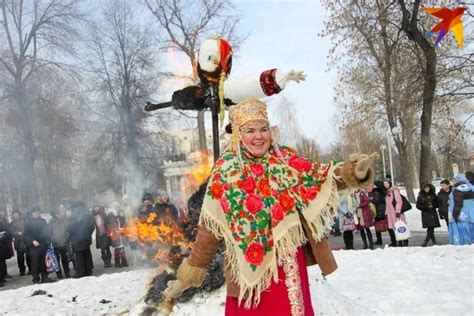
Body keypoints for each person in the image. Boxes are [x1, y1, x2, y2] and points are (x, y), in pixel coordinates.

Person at [163, 97, 378, 314]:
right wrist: (188, 275)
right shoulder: (225, 171)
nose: (258, 136)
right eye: (250, 130)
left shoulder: (284, 161)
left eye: (263, 129)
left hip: (286, 265)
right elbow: (210, 229)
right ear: (238, 134)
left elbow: (318, 176)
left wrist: (353, 172)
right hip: (246, 275)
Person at [24, 207, 52, 284]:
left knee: (43, 261)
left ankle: (45, 276)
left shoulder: (43, 221)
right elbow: (26, 235)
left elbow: (47, 231)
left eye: (37, 212)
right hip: (34, 245)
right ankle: (36, 278)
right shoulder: (28, 223)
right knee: (35, 262)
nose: (36, 214)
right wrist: (32, 241)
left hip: (43, 244)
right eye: (34, 212)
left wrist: (48, 239)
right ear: (32, 214)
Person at [67, 201, 95, 278]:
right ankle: (89, 270)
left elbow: (70, 228)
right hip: (86, 238)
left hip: (77, 239)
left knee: (79, 256)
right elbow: (92, 226)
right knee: (87, 254)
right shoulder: (87, 213)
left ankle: (80, 272)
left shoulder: (73, 215)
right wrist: (87, 234)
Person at [448, 174, 474, 245]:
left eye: (454, 181)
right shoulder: (471, 187)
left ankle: (464, 245)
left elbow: (458, 204)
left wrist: (455, 215)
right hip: (471, 214)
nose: (453, 182)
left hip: (462, 214)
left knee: (463, 231)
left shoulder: (459, 189)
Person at [49, 205, 71, 278]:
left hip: (64, 242)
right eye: (58, 213)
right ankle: (59, 273)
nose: (60, 214)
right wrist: (52, 239)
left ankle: (67, 272)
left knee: (65, 259)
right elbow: (49, 232)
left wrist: (66, 238)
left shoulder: (65, 220)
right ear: (55, 214)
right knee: (56, 260)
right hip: (55, 243)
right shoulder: (51, 221)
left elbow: (68, 229)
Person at [383, 180, 407, 247]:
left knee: (399, 227)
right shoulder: (385, 192)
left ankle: (402, 241)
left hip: (396, 213)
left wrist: (398, 211)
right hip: (389, 213)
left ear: (390, 183)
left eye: (387, 183)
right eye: (384, 184)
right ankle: (394, 242)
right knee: (390, 228)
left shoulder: (394, 191)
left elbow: (399, 202)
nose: (386, 185)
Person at [369, 181, 393, 246]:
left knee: (378, 226)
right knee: (387, 226)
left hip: (379, 210)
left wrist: (369, 200)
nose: (372, 186)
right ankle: (393, 240)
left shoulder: (376, 191)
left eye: (374, 185)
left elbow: (376, 200)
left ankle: (379, 240)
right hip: (383, 210)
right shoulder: (383, 191)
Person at [10, 210, 31, 276]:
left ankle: (30, 269)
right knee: (20, 258)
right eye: (14, 216)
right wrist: (16, 233)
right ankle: (22, 270)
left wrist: (24, 232)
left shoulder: (25, 221)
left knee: (28, 257)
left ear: (19, 215)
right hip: (18, 242)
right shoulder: (12, 223)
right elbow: (11, 232)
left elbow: (28, 229)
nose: (16, 217)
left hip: (26, 241)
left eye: (17, 215)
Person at [0, 216, 13, 287]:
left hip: (2, 247)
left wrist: (3, 236)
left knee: (1, 263)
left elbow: (8, 234)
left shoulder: (2, 225)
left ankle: (1, 277)